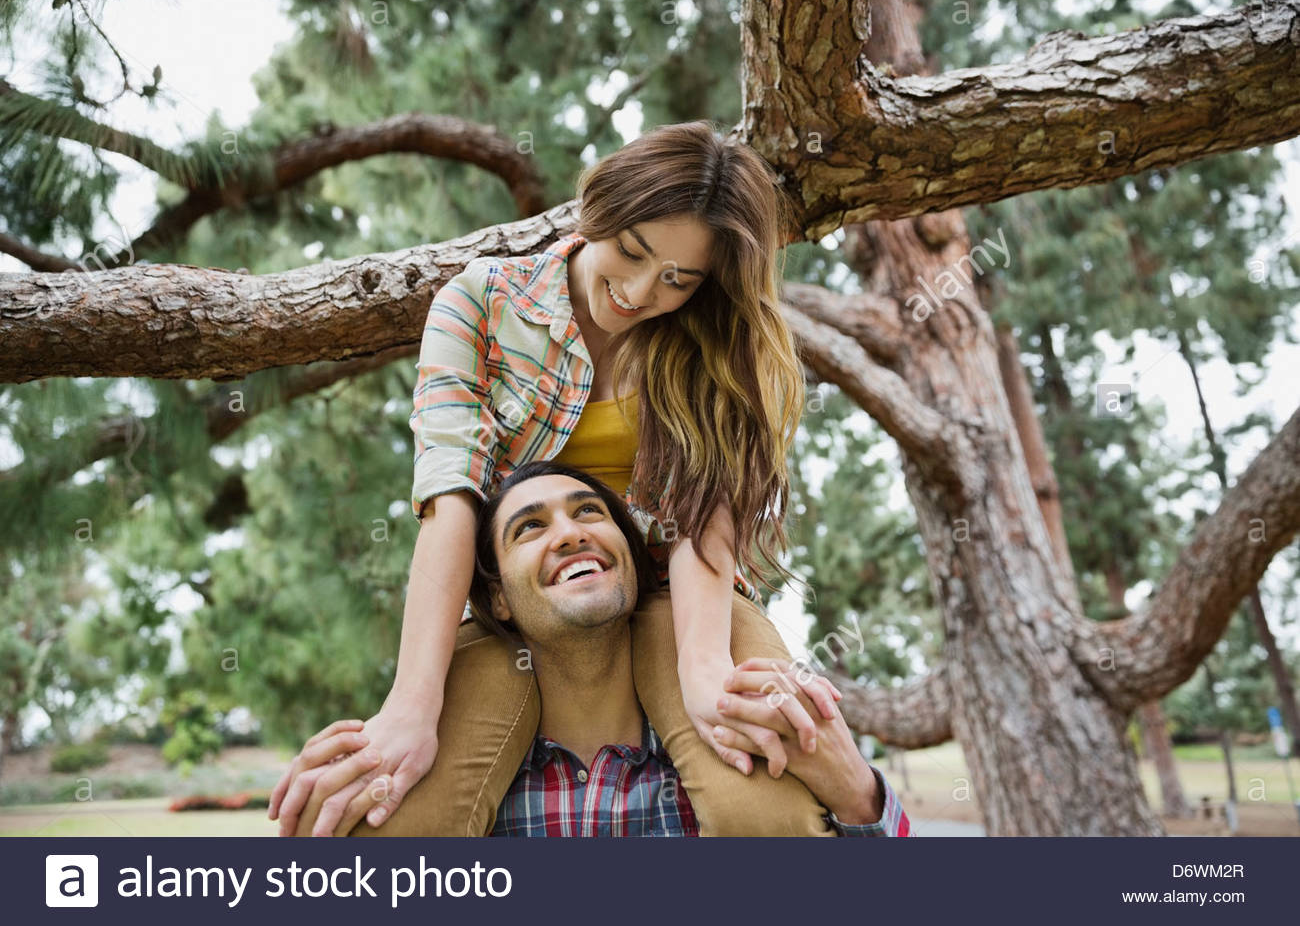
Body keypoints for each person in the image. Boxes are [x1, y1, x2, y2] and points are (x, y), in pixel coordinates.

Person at [271, 120, 840, 837]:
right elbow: (451, 499)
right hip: (525, 610)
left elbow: (706, 513)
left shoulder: (711, 339)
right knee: (392, 821)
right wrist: (410, 706)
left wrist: (703, 672)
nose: (638, 292)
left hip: (676, 595)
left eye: (677, 279)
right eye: (631, 251)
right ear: (595, 208)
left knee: (767, 812)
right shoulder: (480, 303)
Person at [273, 464, 912, 837]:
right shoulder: (459, 783)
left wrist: (860, 795)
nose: (571, 533)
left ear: (633, 563)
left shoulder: (747, 740)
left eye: (589, 513)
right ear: (497, 599)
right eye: (530, 527)